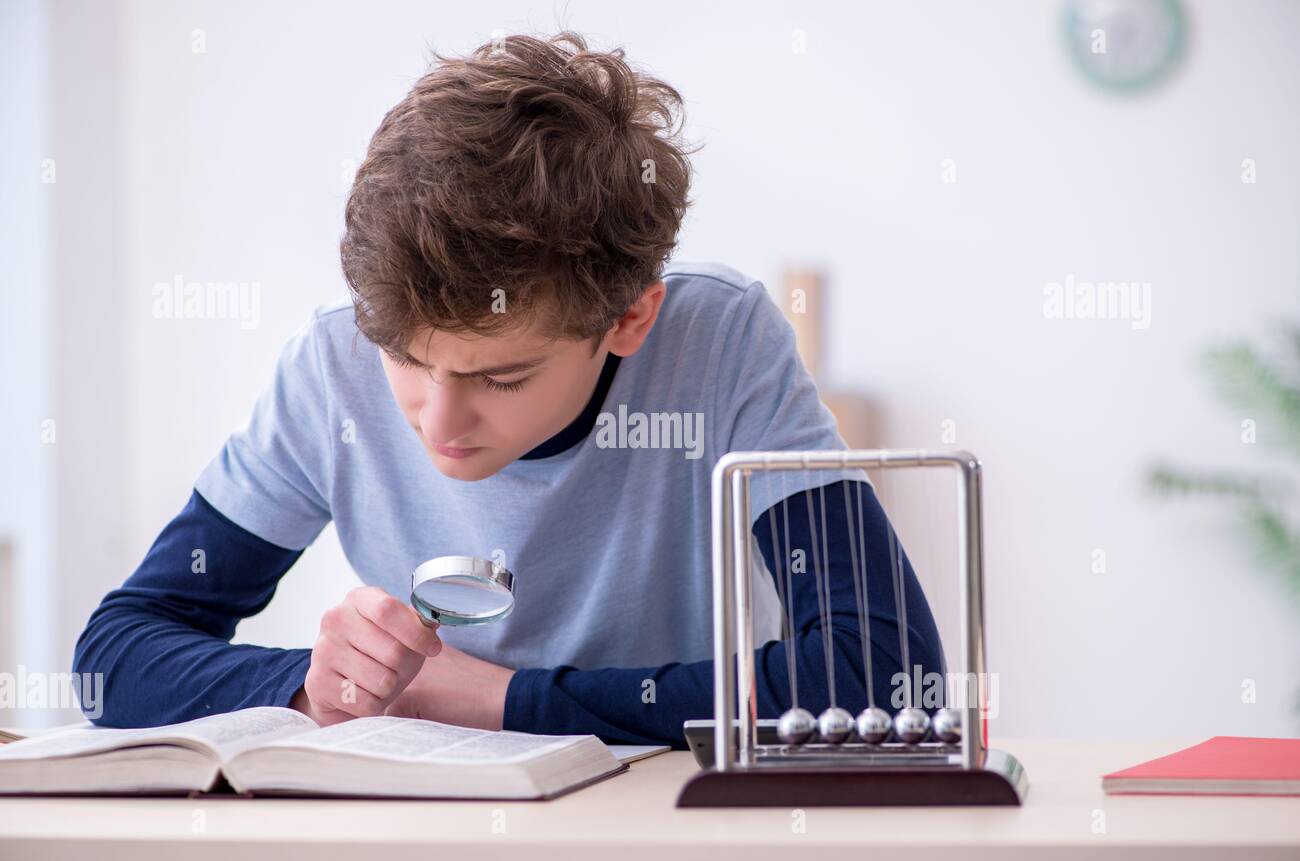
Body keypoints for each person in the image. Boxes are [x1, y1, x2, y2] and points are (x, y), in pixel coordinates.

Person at [72, 31, 945, 747]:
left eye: (501, 375)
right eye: (408, 360)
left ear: (629, 320)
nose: (437, 422)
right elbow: (112, 657)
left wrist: (499, 699)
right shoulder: (332, 363)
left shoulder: (720, 346)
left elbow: (885, 674)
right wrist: (309, 684)